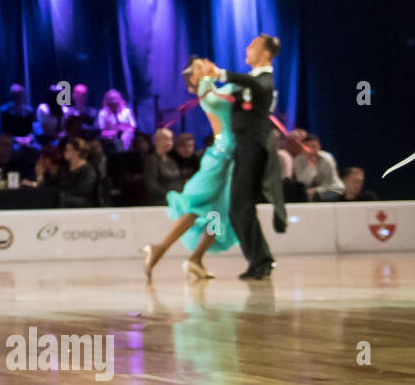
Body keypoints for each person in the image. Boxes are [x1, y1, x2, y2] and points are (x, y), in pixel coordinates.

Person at [142, 60, 239, 280]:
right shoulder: (207, 89)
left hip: (228, 155)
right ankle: (160, 248)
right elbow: (228, 94)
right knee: (197, 205)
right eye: (198, 65)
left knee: (217, 212)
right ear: (195, 78)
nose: (205, 63)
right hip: (221, 156)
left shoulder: (213, 89)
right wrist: (220, 77)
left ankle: (196, 258)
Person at [205, 35, 286, 280]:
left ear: (265, 53)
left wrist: (220, 73)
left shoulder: (264, 80)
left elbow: (256, 85)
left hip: (254, 147)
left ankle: (261, 261)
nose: (247, 49)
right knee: (239, 207)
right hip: (244, 147)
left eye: (253, 46)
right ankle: (260, 260)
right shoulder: (251, 82)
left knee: (241, 206)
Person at [293, 133, 346, 201]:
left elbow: (330, 182)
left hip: (332, 189)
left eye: (314, 147)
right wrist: (310, 166)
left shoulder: (327, 159)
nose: (310, 150)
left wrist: (316, 190)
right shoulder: (298, 160)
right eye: (307, 147)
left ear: (319, 146)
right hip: (308, 191)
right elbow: (302, 182)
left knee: (320, 195)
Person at [143, 128, 184, 205]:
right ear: (156, 141)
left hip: (176, 200)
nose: (169, 142)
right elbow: (151, 185)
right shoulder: (152, 160)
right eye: (166, 139)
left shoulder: (171, 160)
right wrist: (169, 195)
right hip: (161, 202)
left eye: (171, 139)